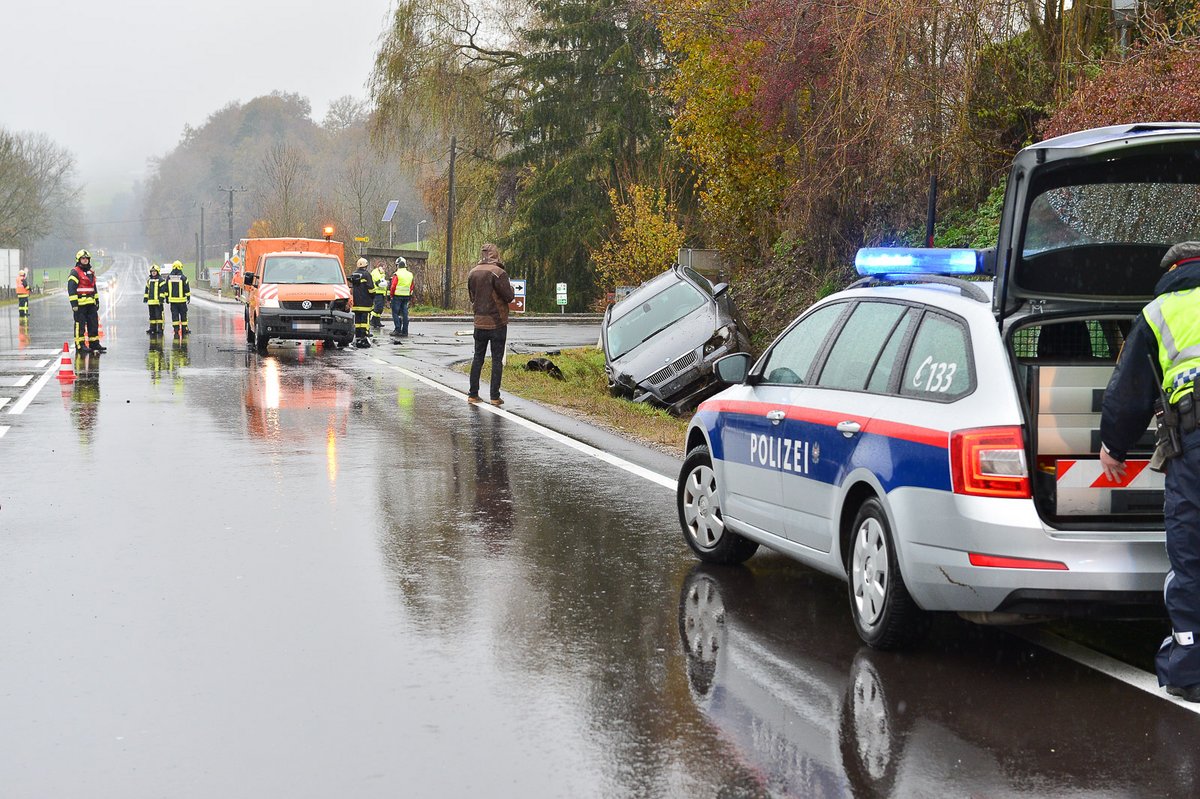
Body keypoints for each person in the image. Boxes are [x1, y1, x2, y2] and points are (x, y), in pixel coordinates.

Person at [1101, 240, 1200, 703]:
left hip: (1194, 442)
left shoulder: (1160, 312)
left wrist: (1113, 447)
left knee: (1190, 550)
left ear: (1172, 270)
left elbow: (1130, 391)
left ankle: (1191, 666)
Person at [466, 243, 515, 406]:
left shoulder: (473, 272)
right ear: (496, 255)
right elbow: (508, 297)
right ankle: (494, 396)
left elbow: (472, 297)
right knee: (496, 359)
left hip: (479, 322)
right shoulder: (498, 273)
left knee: (477, 357)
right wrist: (512, 289)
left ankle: (473, 394)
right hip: (497, 322)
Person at [67, 249, 106, 352]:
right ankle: (80, 345)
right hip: (80, 305)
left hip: (91, 304)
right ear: (79, 259)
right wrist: (74, 304)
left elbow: (94, 287)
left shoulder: (90, 272)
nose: (85, 260)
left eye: (87, 258)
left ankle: (94, 344)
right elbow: (71, 289)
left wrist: (97, 300)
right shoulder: (75, 272)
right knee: (80, 325)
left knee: (93, 324)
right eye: (83, 258)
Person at [348, 257, 374, 348]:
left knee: (357, 321)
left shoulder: (353, 274)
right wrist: (373, 297)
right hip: (365, 303)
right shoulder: (367, 275)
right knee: (365, 321)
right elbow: (371, 289)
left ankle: (358, 336)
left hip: (356, 303)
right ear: (366, 266)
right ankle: (364, 336)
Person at [389, 256, 414, 340]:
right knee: (405, 313)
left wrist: (391, 295)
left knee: (395, 313)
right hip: (406, 296)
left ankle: (397, 329)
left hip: (397, 296)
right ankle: (405, 331)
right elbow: (411, 286)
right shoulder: (410, 274)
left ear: (397, 266)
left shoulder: (397, 274)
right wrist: (409, 293)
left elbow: (393, 286)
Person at [166, 260, 191, 337]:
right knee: (183, 315)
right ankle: (184, 329)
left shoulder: (169, 277)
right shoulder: (183, 278)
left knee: (175, 316)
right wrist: (188, 297)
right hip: (182, 301)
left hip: (173, 302)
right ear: (180, 267)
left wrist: (166, 298)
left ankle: (176, 330)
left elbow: (166, 289)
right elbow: (187, 289)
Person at [143, 264, 169, 336]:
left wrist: (161, 299)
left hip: (158, 302)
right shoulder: (149, 280)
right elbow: (147, 289)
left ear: (157, 272)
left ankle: (160, 329)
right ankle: (152, 329)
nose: (153, 272)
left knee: (159, 316)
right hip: (151, 302)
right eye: (152, 271)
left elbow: (163, 290)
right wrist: (145, 298)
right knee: (152, 316)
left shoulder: (161, 280)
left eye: (155, 271)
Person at [369, 261, 387, 332]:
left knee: (380, 309)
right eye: (383, 268)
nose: (384, 270)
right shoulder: (375, 273)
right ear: (379, 267)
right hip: (377, 292)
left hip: (381, 293)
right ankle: (373, 320)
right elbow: (379, 283)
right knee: (377, 308)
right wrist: (385, 283)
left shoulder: (382, 273)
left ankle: (377, 321)